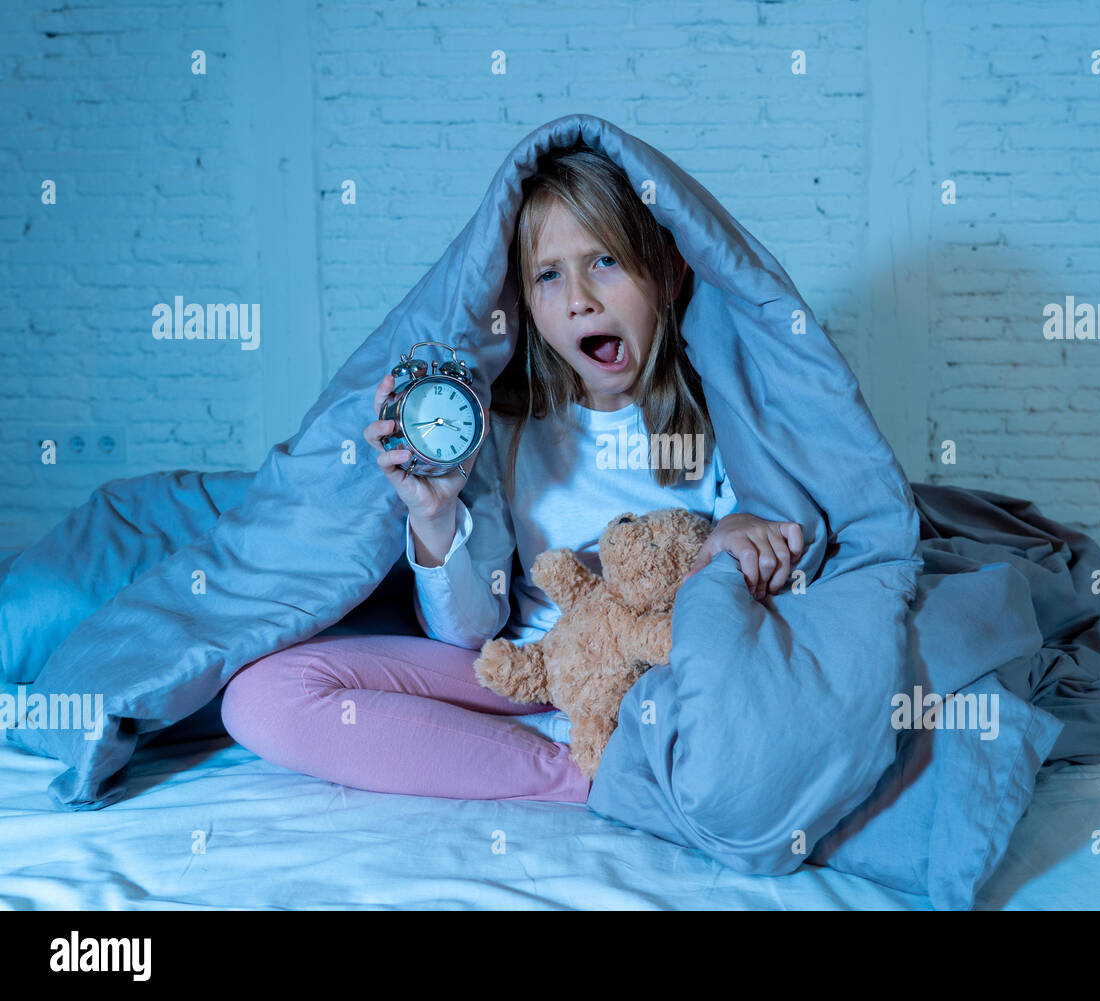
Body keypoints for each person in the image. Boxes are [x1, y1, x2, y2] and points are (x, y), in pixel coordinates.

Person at [220, 144, 804, 803]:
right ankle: (574, 778)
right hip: (530, 672)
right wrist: (435, 516)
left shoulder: (724, 418)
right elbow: (468, 633)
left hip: (655, 684)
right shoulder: (507, 429)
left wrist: (738, 532)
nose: (579, 300)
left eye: (605, 261)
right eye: (548, 275)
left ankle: (623, 759)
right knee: (260, 696)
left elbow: (763, 568)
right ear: (523, 301)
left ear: (668, 273)